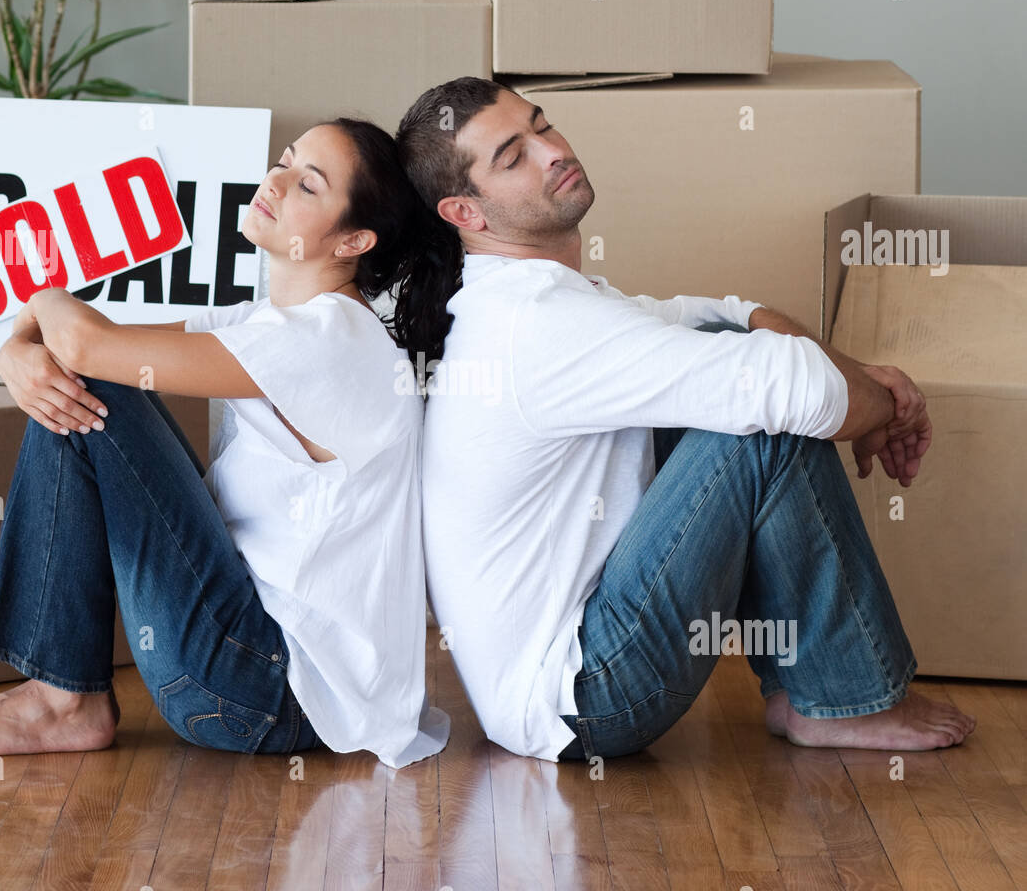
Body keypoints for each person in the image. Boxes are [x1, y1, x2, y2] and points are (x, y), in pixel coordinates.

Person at [394, 76, 975, 762]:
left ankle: (809, 691)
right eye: (512, 157)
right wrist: (891, 406)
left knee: (737, 366)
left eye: (541, 126)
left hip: (568, 675)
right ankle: (847, 695)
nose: (551, 152)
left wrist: (853, 378)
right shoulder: (536, 324)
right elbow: (798, 390)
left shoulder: (536, 297)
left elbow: (718, 314)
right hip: (587, 697)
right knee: (757, 429)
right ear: (466, 212)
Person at [0, 118, 449, 770]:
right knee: (93, 377)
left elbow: (83, 345)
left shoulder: (331, 339)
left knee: (91, 381)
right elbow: (87, 336)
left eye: (307, 183)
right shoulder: (270, 320)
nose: (275, 181)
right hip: (255, 677)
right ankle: (60, 697)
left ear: (353, 239)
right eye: (284, 160)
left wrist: (41, 302)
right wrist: (15, 348)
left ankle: (62, 700)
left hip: (264, 692)